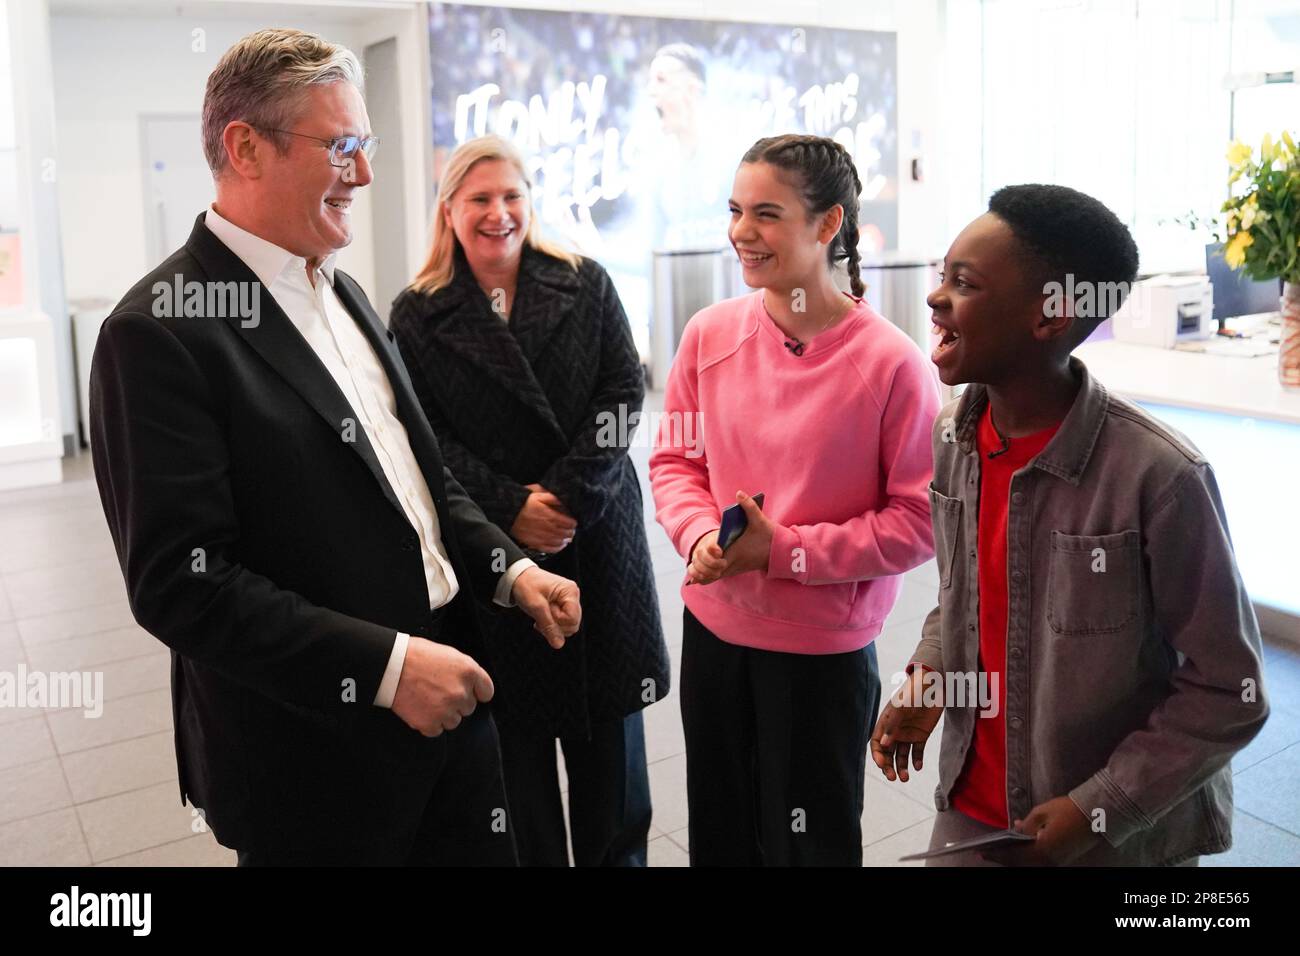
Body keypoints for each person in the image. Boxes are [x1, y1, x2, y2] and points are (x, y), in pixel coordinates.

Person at [88, 29, 581, 866]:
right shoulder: (159, 332)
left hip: (454, 709)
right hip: (313, 761)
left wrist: (510, 569)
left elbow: (415, 483)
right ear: (246, 147)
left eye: (368, 145)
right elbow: (180, 584)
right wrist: (390, 669)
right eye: (342, 146)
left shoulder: (345, 292)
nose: (365, 173)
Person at [870, 184, 1270, 866]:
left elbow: (1231, 689)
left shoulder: (1160, 476)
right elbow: (963, 593)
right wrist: (930, 678)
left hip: (1113, 834)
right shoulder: (953, 436)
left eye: (963, 284)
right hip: (975, 808)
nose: (937, 298)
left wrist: (1101, 805)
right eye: (942, 277)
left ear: (1051, 317)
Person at [649, 133, 940, 865]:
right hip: (715, 637)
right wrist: (698, 540)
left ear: (829, 224)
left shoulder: (893, 365)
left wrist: (782, 551)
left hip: (821, 657)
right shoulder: (708, 335)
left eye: (767, 214)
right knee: (721, 836)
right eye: (736, 210)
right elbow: (675, 460)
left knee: (809, 846)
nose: (741, 232)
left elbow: (918, 521)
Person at [389, 134, 670, 867]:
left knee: (613, 770)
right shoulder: (417, 314)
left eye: (512, 195)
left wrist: (566, 497)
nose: (498, 212)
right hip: (494, 556)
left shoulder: (585, 280)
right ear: (449, 210)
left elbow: (621, 392)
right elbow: (424, 435)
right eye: (480, 198)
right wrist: (512, 506)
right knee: (517, 779)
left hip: (596, 537)